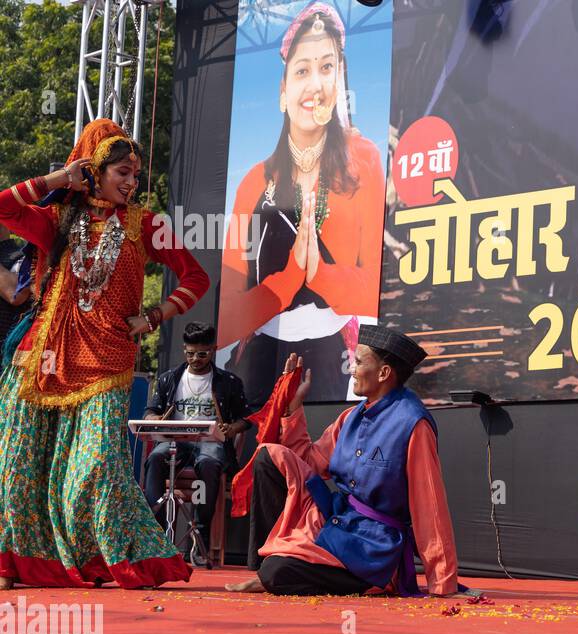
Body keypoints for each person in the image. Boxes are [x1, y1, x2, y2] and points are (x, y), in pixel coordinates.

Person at [0, 119, 209, 589]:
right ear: (92, 171)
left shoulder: (145, 225)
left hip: (108, 360)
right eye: (122, 173)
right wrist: (55, 182)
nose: (132, 183)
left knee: (95, 466)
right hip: (45, 357)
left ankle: (108, 557)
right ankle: (19, 562)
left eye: (136, 175)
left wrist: (154, 316)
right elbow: (2, 209)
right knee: (16, 464)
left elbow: (196, 277)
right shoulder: (55, 220)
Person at [217, 1, 385, 405]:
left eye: (327, 67)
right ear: (283, 90)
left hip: (336, 364)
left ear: (340, 79)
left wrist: (322, 275)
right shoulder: (253, 183)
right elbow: (230, 317)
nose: (315, 85)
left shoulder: (363, 162)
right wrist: (292, 274)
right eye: (302, 70)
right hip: (262, 360)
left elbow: (372, 291)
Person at [225, 326, 459, 596]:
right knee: (269, 456)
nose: (351, 369)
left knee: (278, 572)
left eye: (358, 362)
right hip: (337, 520)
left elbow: (429, 505)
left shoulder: (412, 423)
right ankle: (266, 566)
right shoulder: (351, 417)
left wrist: (442, 582)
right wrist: (294, 407)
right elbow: (310, 462)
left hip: (373, 545)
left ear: (383, 373)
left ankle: (373, 579)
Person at [141, 322, 253, 555]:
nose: (195, 359)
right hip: (176, 440)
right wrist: (157, 418)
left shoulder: (228, 382)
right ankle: (156, 536)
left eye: (202, 354)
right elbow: (150, 411)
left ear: (214, 349)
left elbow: (247, 419)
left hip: (210, 442)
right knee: (155, 459)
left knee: (209, 463)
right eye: (190, 353)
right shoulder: (169, 379)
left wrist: (231, 429)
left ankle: (199, 533)